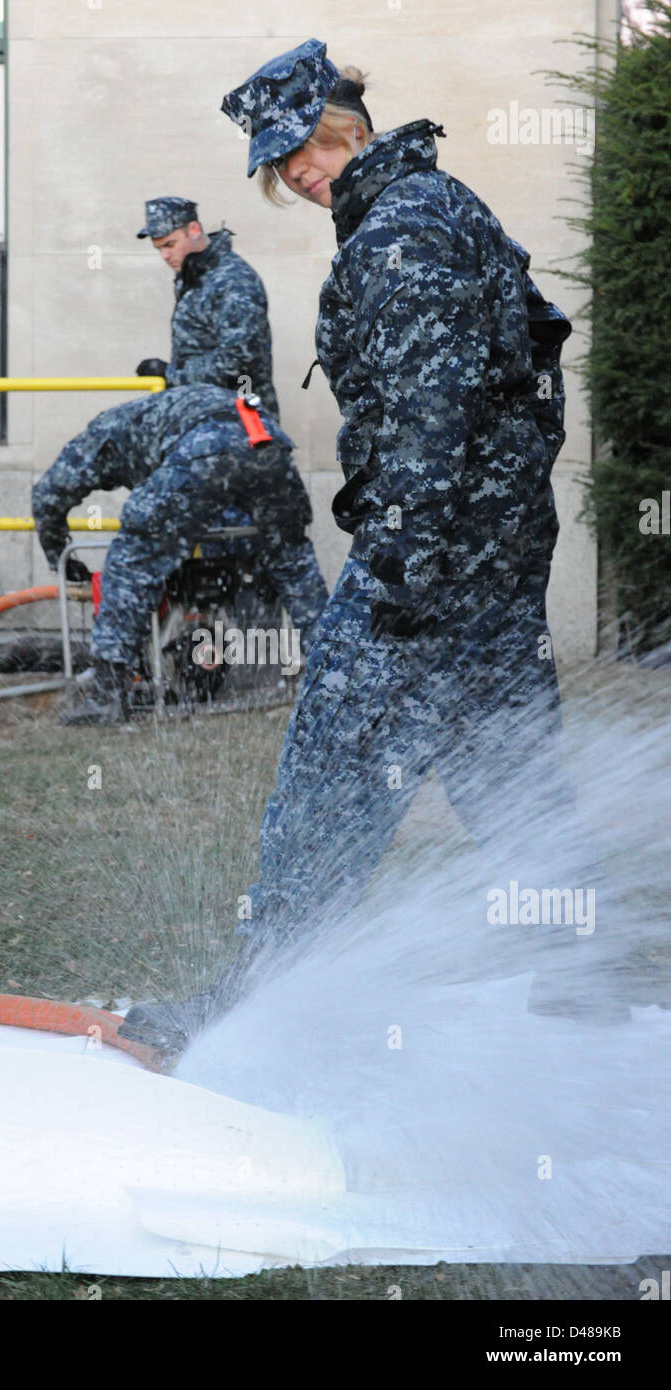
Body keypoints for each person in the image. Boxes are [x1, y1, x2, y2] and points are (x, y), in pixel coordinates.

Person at [119, 39, 580, 1053]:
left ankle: (259, 1000)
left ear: (347, 124)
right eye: (282, 164)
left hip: (428, 567)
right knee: (512, 776)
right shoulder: (432, 202)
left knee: (328, 777)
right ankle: (576, 980)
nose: (298, 172)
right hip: (491, 562)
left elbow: (434, 411)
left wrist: (402, 568)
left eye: (306, 147)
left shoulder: (398, 231)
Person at [31, 383, 328, 724]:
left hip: (206, 449)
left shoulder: (104, 433)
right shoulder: (167, 411)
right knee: (293, 565)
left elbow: (47, 495)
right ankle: (337, 679)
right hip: (268, 443)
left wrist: (61, 559)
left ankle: (108, 693)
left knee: (132, 557)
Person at [135, 196, 279, 417]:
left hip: (239, 423)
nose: (165, 255)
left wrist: (170, 375)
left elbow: (238, 361)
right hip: (204, 416)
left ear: (193, 230)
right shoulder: (193, 274)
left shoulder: (233, 280)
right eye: (159, 248)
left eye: (170, 244)